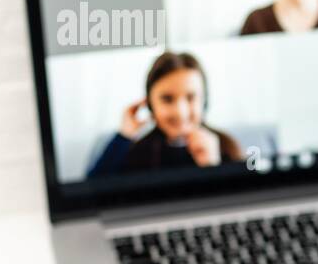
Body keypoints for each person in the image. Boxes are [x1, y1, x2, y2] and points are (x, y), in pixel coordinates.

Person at [87, 52, 243, 176]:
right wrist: (124, 136)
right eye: (167, 99)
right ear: (150, 104)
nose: (180, 112)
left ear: (205, 100)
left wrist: (212, 167)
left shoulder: (227, 147)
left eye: (191, 97)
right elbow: (92, 193)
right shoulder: (136, 154)